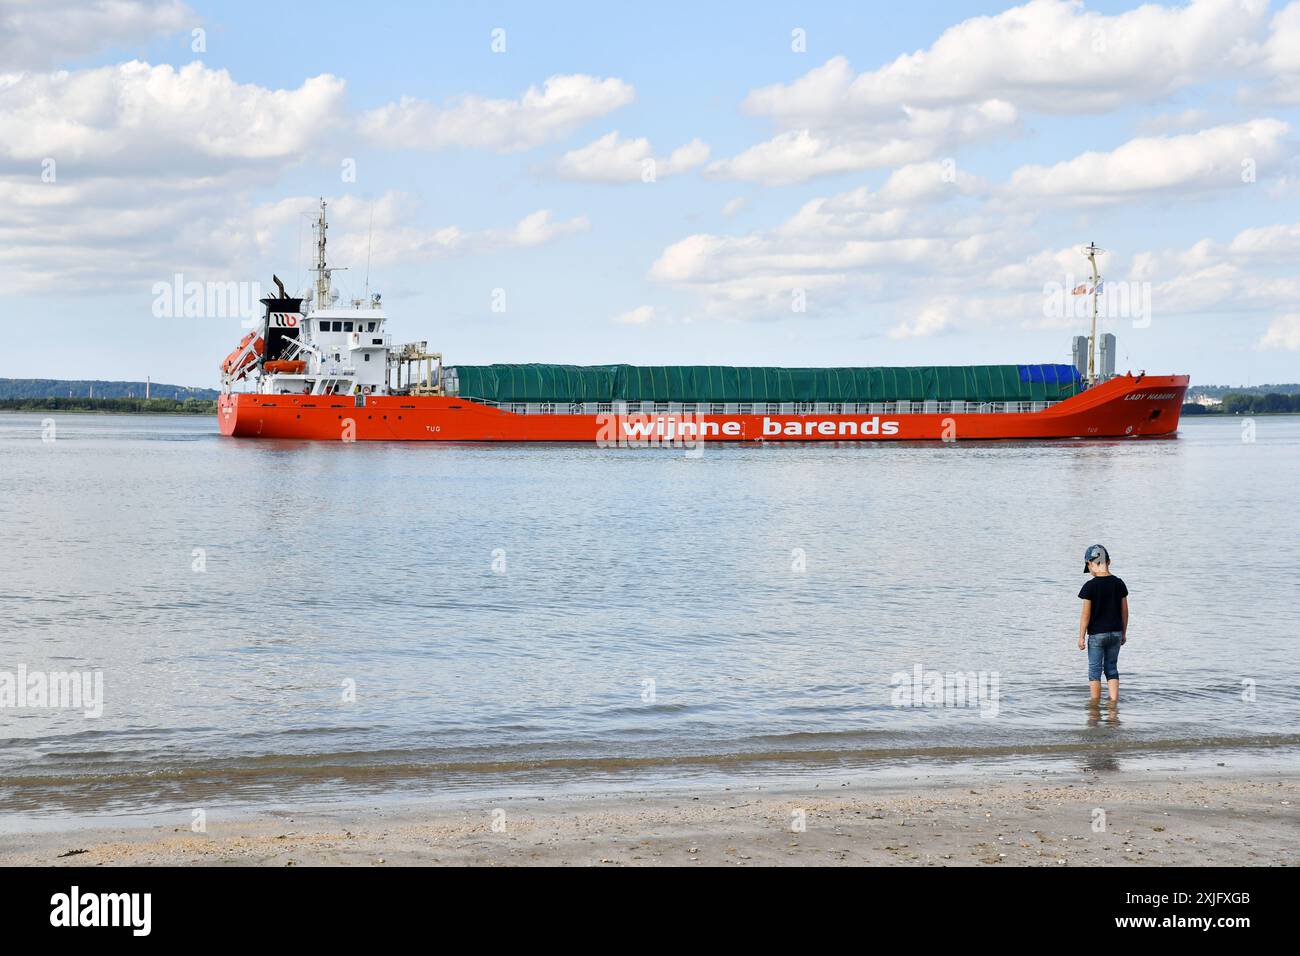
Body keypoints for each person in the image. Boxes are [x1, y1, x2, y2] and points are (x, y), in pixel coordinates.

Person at [1077, 544, 1128, 705]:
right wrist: (1124, 633)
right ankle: (1113, 703)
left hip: (1097, 635)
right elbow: (1125, 611)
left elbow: (1086, 614)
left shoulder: (1090, 586)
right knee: (1111, 668)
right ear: (1109, 562)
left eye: (1089, 566)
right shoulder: (1119, 583)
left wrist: (1081, 637)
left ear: (1090, 564)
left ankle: (1095, 705)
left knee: (1095, 671)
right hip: (1116, 632)